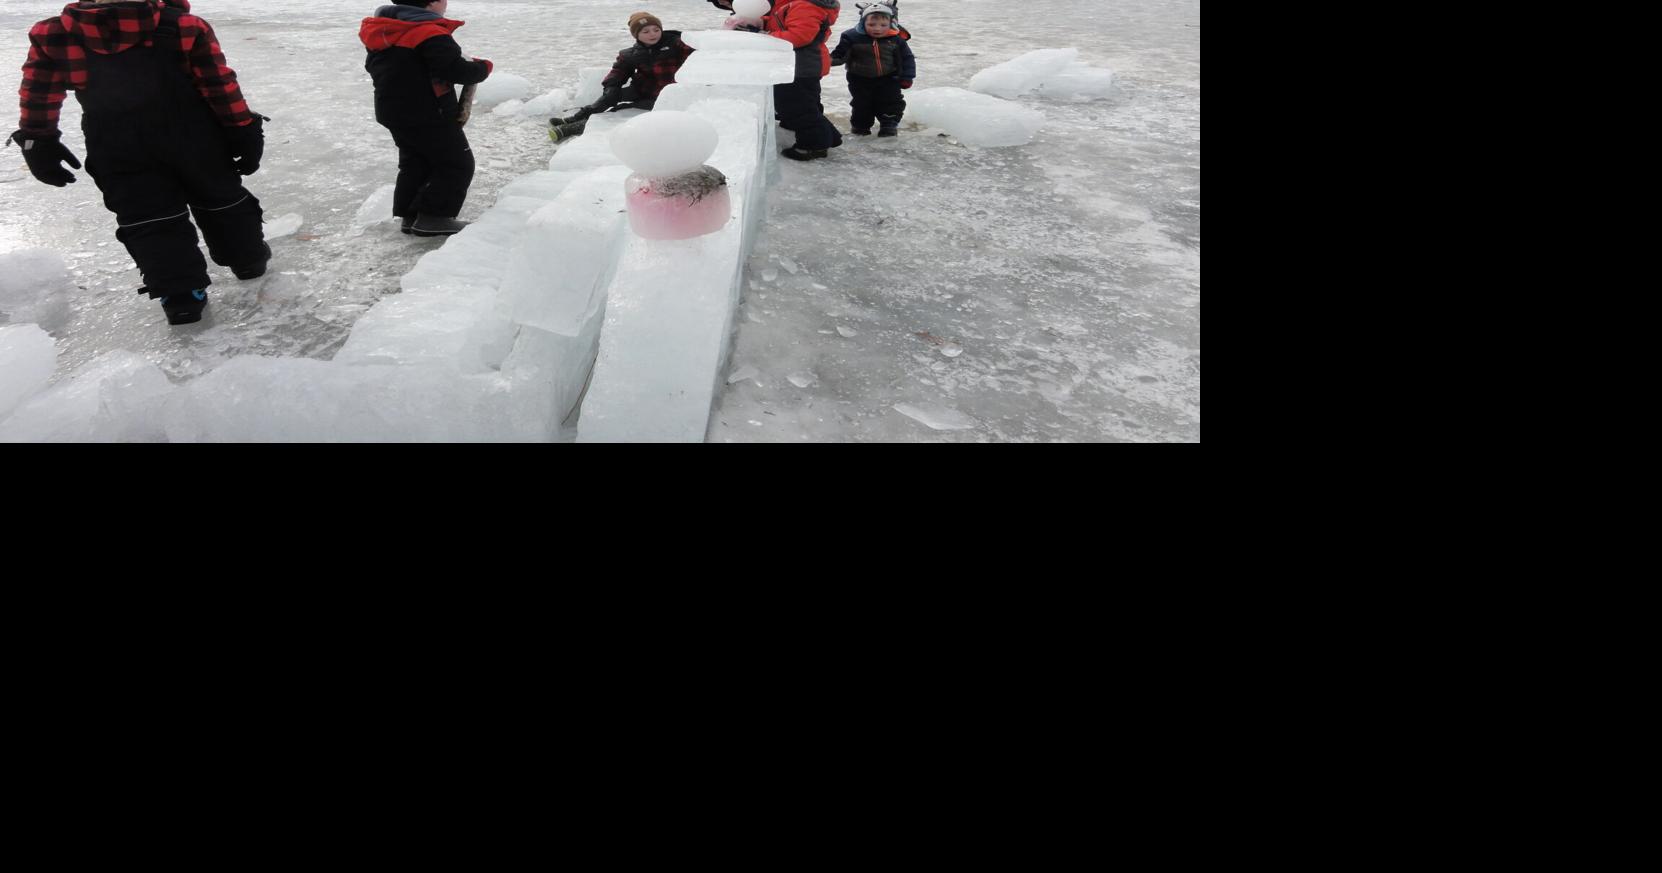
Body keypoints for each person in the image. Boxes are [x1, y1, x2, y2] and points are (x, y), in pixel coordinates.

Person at [10, 0, 269, 326]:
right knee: (221, 199)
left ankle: (181, 296)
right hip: (195, 139)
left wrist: (38, 140)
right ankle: (247, 260)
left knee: (148, 217)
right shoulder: (184, 26)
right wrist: (242, 129)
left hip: (116, 146)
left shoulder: (55, 34)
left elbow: (38, 92)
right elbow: (219, 84)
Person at [360, 0, 493, 237]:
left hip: (393, 111)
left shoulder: (386, 29)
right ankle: (434, 217)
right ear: (430, 3)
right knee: (456, 163)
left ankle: (410, 216)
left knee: (416, 161)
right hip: (429, 113)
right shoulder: (429, 32)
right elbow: (454, 70)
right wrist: (482, 68)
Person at [549, 13, 694, 142]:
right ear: (636, 35)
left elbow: (699, 55)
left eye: (656, 30)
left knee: (623, 110)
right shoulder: (632, 53)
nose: (653, 34)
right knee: (609, 98)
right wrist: (611, 87)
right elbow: (618, 71)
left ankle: (576, 127)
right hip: (643, 88)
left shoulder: (677, 43)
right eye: (646, 31)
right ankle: (578, 117)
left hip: (667, 94)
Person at [765, 0, 843, 161]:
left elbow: (799, 36)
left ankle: (814, 146)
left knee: (797, 108)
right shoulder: (792, 4)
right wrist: (761, 23)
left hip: (802, 67)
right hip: (800, 65)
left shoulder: (804, 6)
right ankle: (830, 136)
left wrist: (765, 37)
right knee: (805, 105)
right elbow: (781, 24)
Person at [830, 3, 914, 136]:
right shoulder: (851, 37)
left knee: (891, 103)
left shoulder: (896, 39)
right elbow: (839, 55)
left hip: (889, 78)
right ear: (863, 22)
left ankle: (889, 126)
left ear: (891, 24)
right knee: (861, 105)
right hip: (860, 79)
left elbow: (907, 58)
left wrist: (907, 77)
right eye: (871, 25)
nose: (877, 29)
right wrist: (825, 61)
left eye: (883, 25)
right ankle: (860, 127)